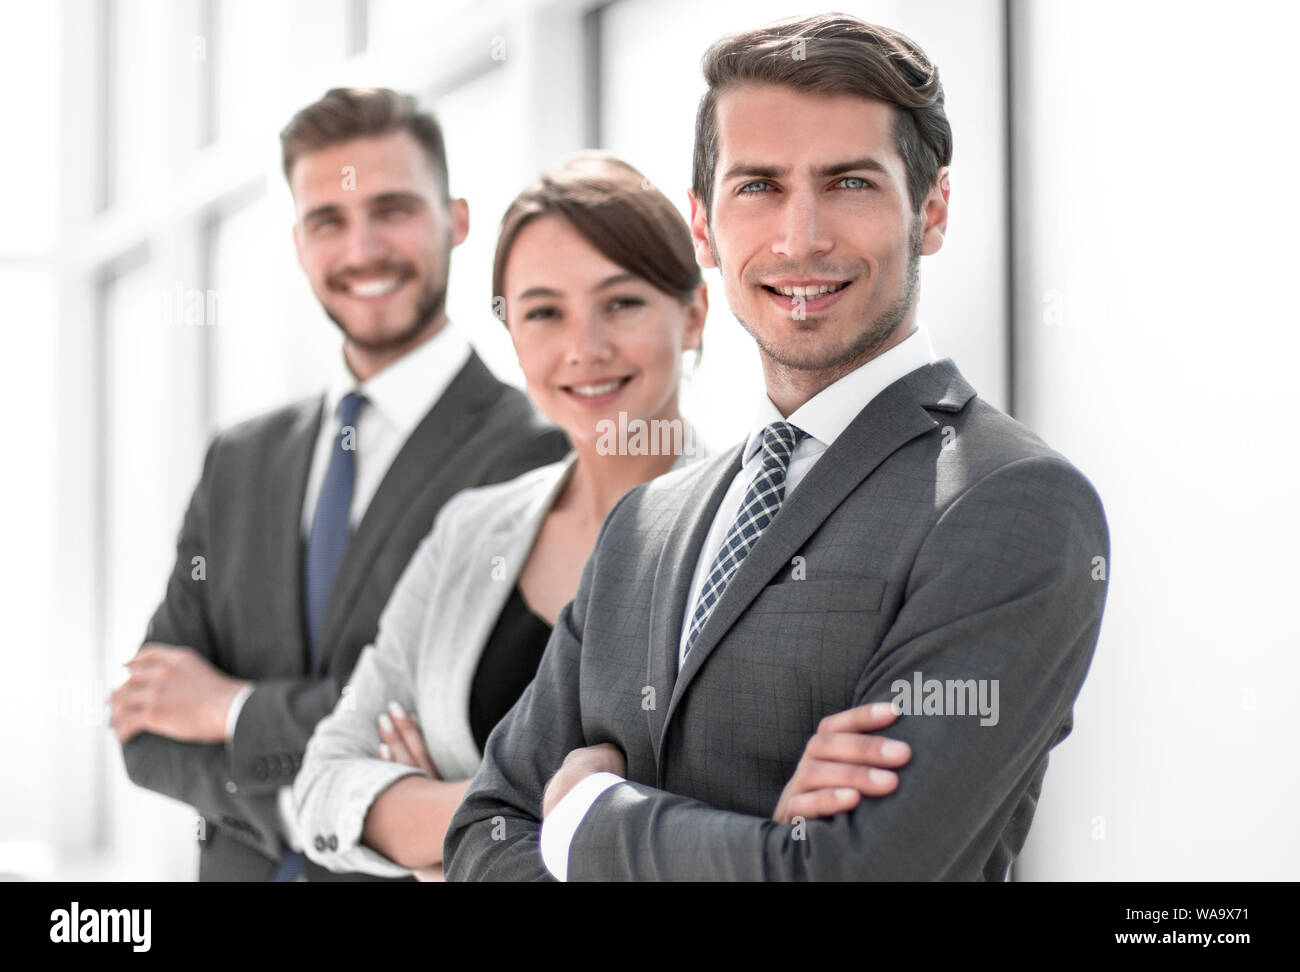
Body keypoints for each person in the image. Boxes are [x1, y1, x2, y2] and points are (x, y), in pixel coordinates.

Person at [444, 13, 1110, 882]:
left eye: (849, 184)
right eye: (758, 186)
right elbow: (483, 833)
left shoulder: (1011, 502)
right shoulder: (648, 522)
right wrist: (762, 844)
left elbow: (854, 875)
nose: (801, 240)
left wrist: (584, 819)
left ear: (932, 209)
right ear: (703, 227)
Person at [107, 87, 569, 882]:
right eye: (329, 221)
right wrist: (320, 803)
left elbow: (479, 721)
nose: (362, 250)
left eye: (392, 209)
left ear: (456, 222)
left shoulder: (540, 456)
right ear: (297, 243)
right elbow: (146, 727)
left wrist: (230, 709)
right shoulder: (240, 460)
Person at [291, 153, 709, 878]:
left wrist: (430, 819)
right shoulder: (469, 531)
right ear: (510, 332)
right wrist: (510, 813)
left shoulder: (757, 528)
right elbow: (322, 783)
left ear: (694, 314)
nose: (586, 349)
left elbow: (734, 822)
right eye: (544, 312)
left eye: (622, 302)